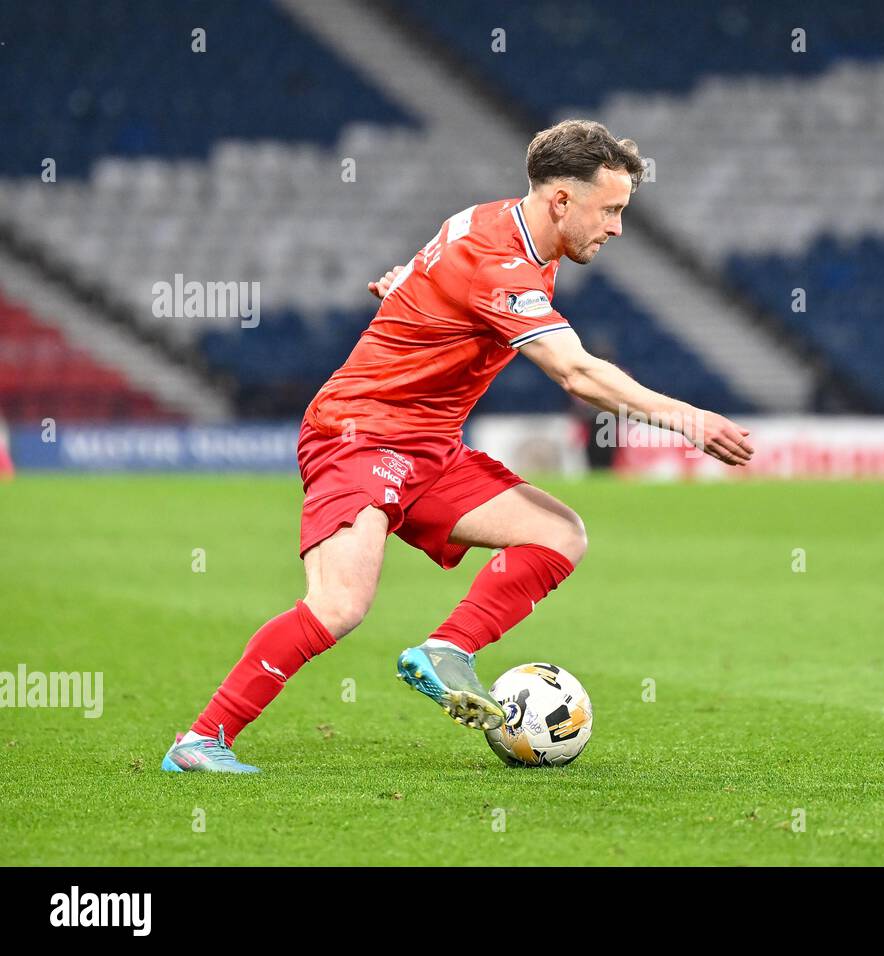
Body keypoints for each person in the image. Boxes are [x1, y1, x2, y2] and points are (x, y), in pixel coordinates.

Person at [162, 119, 754, 773]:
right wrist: (689, 420)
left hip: (430, 448)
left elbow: (434, 273)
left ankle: (447, 650)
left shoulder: (494, 227)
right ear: (561, 200)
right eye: (610, 209)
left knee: (559, 535)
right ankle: (200, 740)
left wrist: (408, 287)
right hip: (359, 435)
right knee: (338, 605)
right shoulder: (503, 264)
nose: (616, 227)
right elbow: (575, 372)